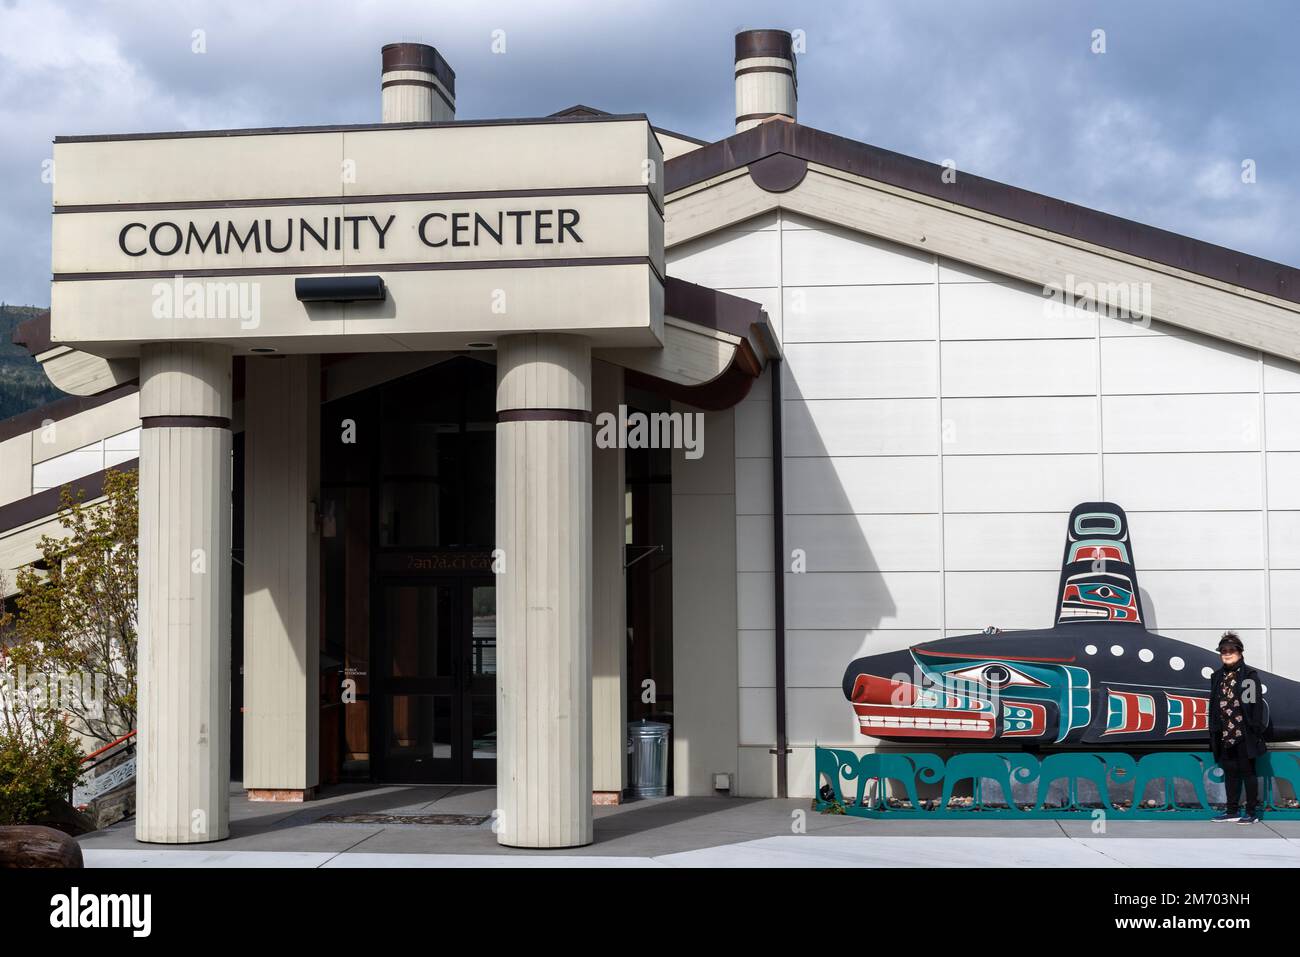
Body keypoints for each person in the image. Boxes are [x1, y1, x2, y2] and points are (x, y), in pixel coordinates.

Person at [1207, 632, 1267, 824]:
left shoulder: (1249, 676)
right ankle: (1231, 810)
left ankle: (1251, 812)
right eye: (1224, 651)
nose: (1227, 654)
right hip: (1224, 733)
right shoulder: (1216, 676)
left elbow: (1253, 706)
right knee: (1230, 772)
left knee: (1248, 772)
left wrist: (1254, 731)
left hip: (1244, 733)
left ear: (1240, 653)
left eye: (1231, 650)